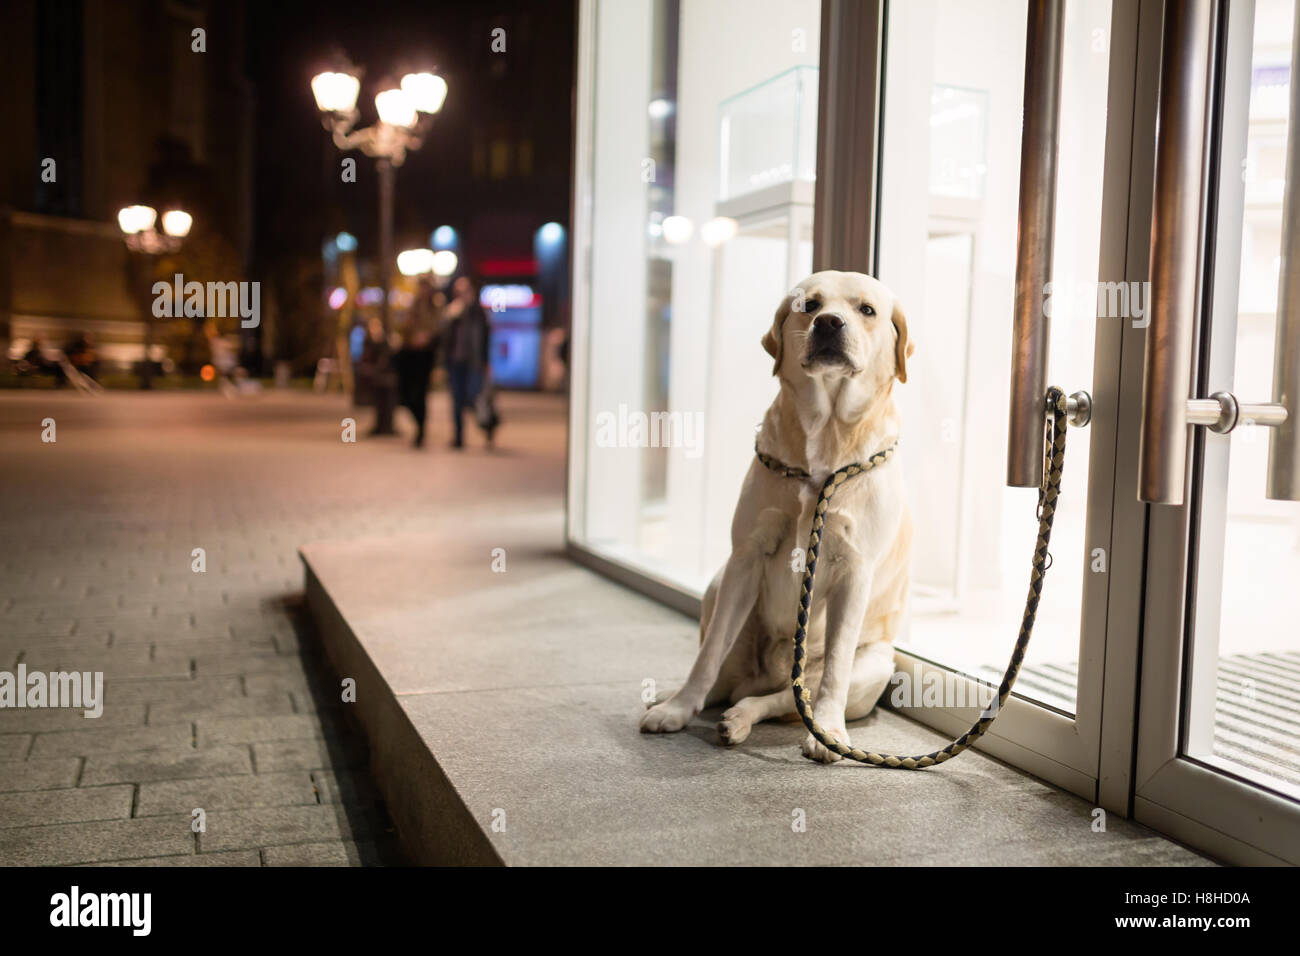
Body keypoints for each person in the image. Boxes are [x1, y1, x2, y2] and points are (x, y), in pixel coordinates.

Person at [440, 276, 492, 449]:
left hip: (473, 362)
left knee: (472, 396)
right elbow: (443, 335)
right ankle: (459, 437)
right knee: (456, 400)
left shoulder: (477, 311)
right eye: (458, 291)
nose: (460, 294)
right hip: (455, 361)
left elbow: (485, 337)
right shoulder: (452, 311)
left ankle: (487, 425)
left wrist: (486, 362)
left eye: (464, 291)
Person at [395, 325, 436, 448]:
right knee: (409, 402)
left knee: (420, 404)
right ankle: (420, 429)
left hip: (421, 382)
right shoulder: (406, 351)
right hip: (408, 382)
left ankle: (421, 431)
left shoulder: (427, 353)